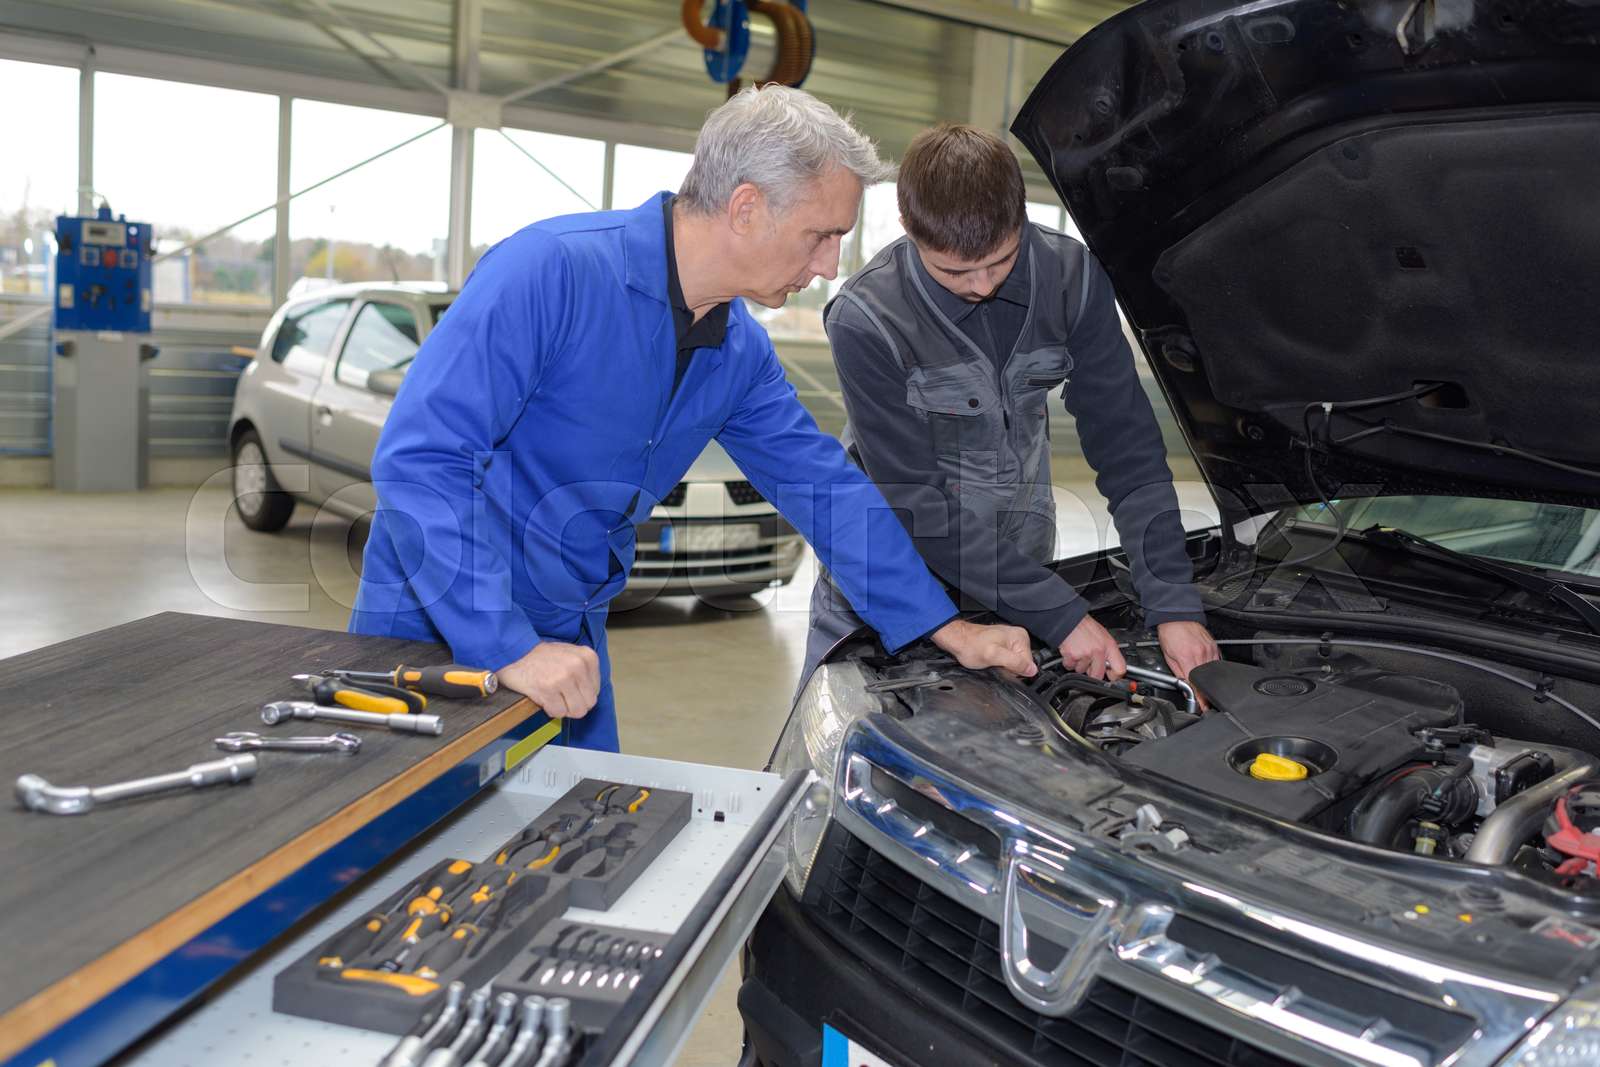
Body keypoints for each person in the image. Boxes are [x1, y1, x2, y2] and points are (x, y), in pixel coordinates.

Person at [349, 90, 1037, 752]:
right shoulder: (549, 273)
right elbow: (422, 459)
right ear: (746, 208)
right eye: (821, 236)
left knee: (577, 846)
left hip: (566, 637)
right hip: (435, 627)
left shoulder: (737, 353)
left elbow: (824, 487)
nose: (830, 266)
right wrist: (507, 645)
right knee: (391, 853)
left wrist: (944, 626)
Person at [800, 123, 1219, 695]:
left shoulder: (1072, 279)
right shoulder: (866, 318)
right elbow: (914, 500)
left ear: (1020, 218)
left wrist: (1172, 601)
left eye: (999, 261)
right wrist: (1061, 614)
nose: (981, 285)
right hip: (889, 579)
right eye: (953, 271)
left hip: (1015, 568)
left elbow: (1128, 446)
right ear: (908, 229)